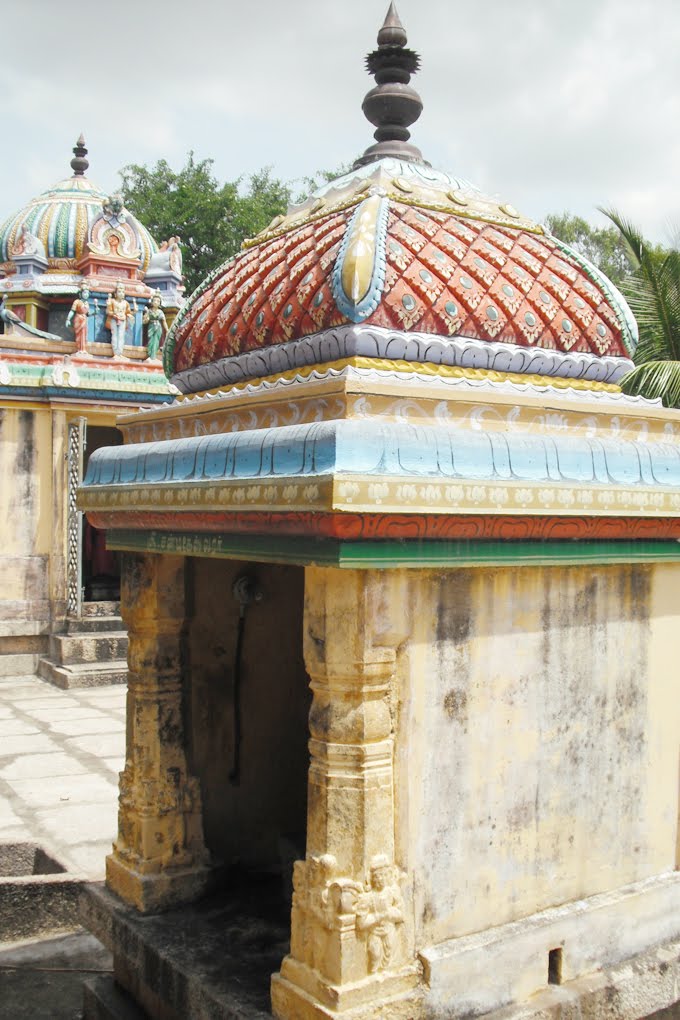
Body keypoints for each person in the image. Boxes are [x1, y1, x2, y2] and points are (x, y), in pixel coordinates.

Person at [106, 282, 132, 357]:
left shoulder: (126, 303)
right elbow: (108, 311)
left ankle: (120, 352)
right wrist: (113, 313)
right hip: (114, 320)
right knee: (115, 336)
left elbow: (128, 312)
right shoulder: (112, 301)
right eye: (119, 292)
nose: (121, 293)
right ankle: (115, 352)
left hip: (122, 320)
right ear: (115, 294)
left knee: (121, 336)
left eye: (123, 292)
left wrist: (131, 315)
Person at [65, 287, 92, 355]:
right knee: (79, 335)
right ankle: (79, 349)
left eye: (87, 293)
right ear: (81, 294)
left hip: (84, 319)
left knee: (84, 334)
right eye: (85, 292)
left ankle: (83, 349)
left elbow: (88, 313)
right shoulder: (77, 302)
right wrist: (68, 319)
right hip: (78, 319)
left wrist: (95, 312)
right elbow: (72, 311)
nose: (86, 294)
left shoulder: (87, 303)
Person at [142, 292, 168, 361]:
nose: (156, 302)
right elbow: (144, 321)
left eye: (158, 301)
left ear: (160, 303)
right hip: (151, 327)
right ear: (152, 302)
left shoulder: (160, 312)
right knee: (150, 341)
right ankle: (150, 355)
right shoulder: (149, 311)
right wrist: (146, 318)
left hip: (158, 328)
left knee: (156, 342)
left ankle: (153, 357)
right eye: (155, 301)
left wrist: (167, 330)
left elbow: (164, 322)